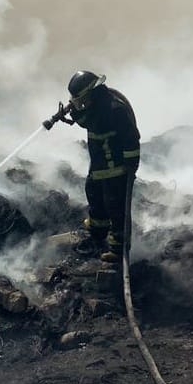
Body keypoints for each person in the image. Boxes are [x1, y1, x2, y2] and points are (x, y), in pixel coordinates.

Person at [55, 70, 140, 263]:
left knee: (116, 207)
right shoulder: (96, 108)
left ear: (92, 93)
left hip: (116, 170)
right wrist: (74, 112)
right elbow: (89, 121)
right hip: (99, 167)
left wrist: (130, 166)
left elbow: (129, 137)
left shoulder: (113, 109)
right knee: (93, 194)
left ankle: (118, 249)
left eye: (82, 100)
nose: (80, 104)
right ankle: (98, 229)